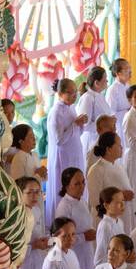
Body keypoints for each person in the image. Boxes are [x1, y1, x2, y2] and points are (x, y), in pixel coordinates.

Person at [45, 79, 89, 226]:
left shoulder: (71, 108)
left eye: (75, 92)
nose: (73, 96)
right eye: (69, 93)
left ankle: (78, 217)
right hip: (62, 156)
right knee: (64, 186)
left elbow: (76, 132)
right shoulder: (56, 112)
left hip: (74, 152)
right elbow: (58, 139)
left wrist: (80, 124)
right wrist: (75, 124)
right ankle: (62, 220)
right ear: (60, 93)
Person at [86, 131, 132, 209]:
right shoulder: (96, 170)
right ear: (109, 149)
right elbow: (95, 201)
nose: (122, 147)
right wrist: (121, 196)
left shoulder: (120, 166)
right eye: (119, 145)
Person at [77, 67, 113, 161]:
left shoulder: (99, 95)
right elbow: (84, 125)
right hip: (92, 141)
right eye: (105, 79)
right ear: (97, 83)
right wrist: (104, 125)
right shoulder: (88, 98)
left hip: (102, 138)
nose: (107, 81)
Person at [93, 186, 127, 267]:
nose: (122, 205)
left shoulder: (119, 222)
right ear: (106, 206)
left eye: (123, 200)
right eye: (118, 202)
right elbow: (99, 258)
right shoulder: (105, 226)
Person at [106, 59, 133, 131]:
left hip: (130, 125)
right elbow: (111, 115)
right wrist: (129, 111)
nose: (130, 72)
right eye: (127, 70)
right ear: (118, 73)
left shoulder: (128, 86)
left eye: (130, 68)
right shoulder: (112, 90)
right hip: (119, 128)